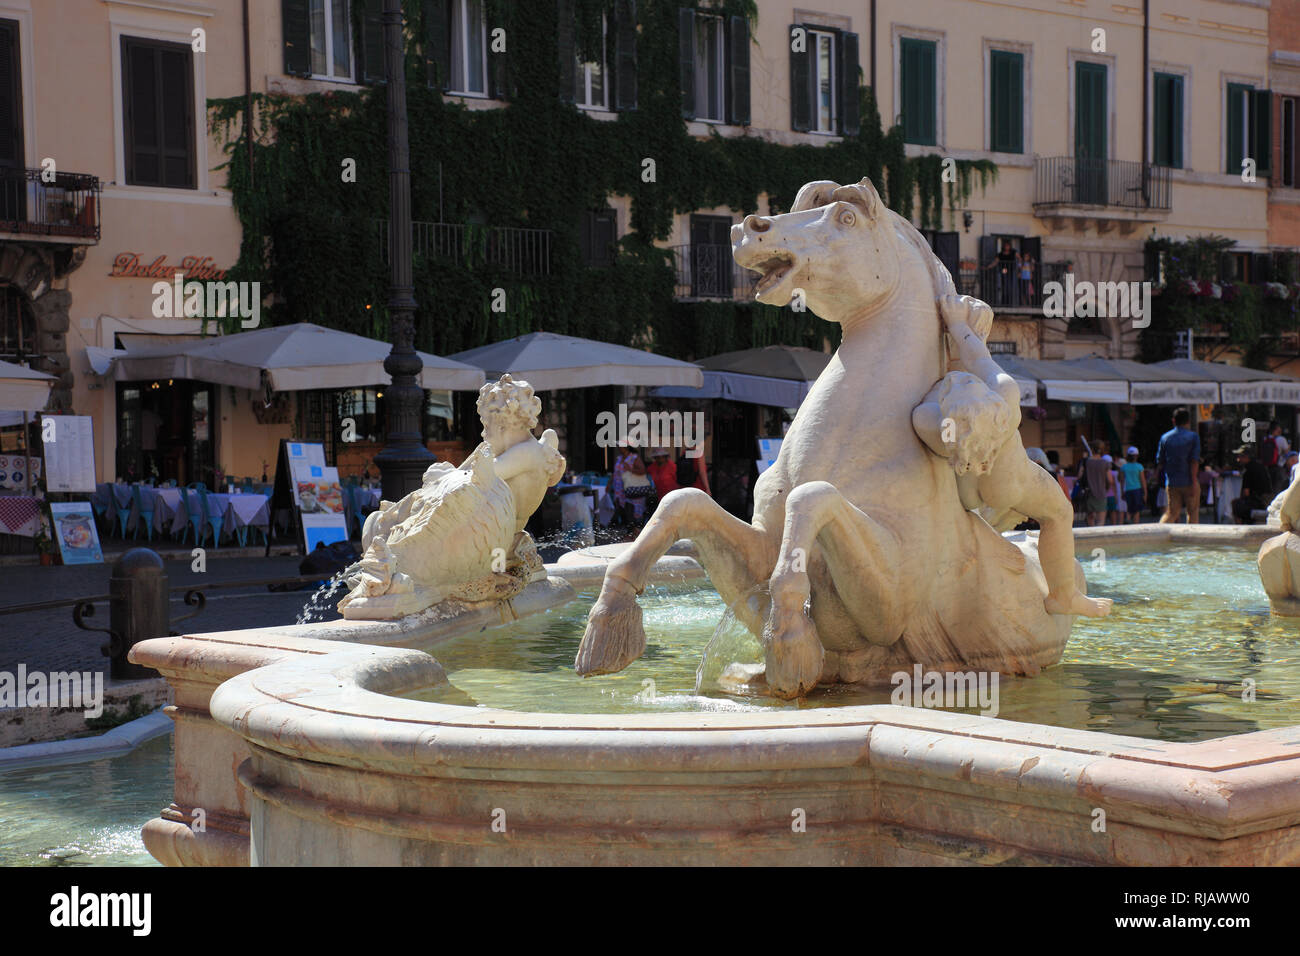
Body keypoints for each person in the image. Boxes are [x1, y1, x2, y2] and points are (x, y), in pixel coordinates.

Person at [912, 294, 1112, 617]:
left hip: (965, 494)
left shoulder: (927, 421)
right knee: (1059, 513)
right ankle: (1063, 595)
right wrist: (959, 326)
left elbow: (948, 397)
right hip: (1009, 481)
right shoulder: (1005, 396)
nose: (961, 376)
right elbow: (979, 359)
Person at [1156, 407, 1201, 524]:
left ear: (1173, 421)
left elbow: (1160, 461)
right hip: (1189, 480)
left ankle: (1158, 533)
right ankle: (1191, 539)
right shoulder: (1193, 437)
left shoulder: (1165, 438)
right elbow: (1194, 461)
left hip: (1172, 482)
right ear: (1188, 421)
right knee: (1192, 513)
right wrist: (1194, 482)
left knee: (1172, 513)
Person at [1232, 445, 1274, 523]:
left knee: (1235, 504)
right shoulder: (1260, 466)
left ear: (1246, 457)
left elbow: (1246, 492)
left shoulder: (1248, 470)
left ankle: (1238, 527)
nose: (1238, 460)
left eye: (1240, 457)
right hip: (1267, 500)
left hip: (1257, 502)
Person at [1083, 442, 1111, 527]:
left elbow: (1080, 475)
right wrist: (1107, 488)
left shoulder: (1087, 462)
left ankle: (1090, 536)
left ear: (1091, 449)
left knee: (1090, 517)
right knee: (1100, 520)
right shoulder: (1105, 463)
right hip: (1101, 493)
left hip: (1089, 493)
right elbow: (1110, 480)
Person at [1120, 446, 1146, 524]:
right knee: (1137, 510)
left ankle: (1127, 519)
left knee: (1129, 508)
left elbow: (1121, 481)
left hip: (1128, 490)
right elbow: (1143, 480)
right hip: (1137, 490)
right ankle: (1136, 525)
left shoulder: (1123, 467)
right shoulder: (1139, 466)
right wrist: (1145, 492)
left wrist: (1122, 491)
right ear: (1137, 456)